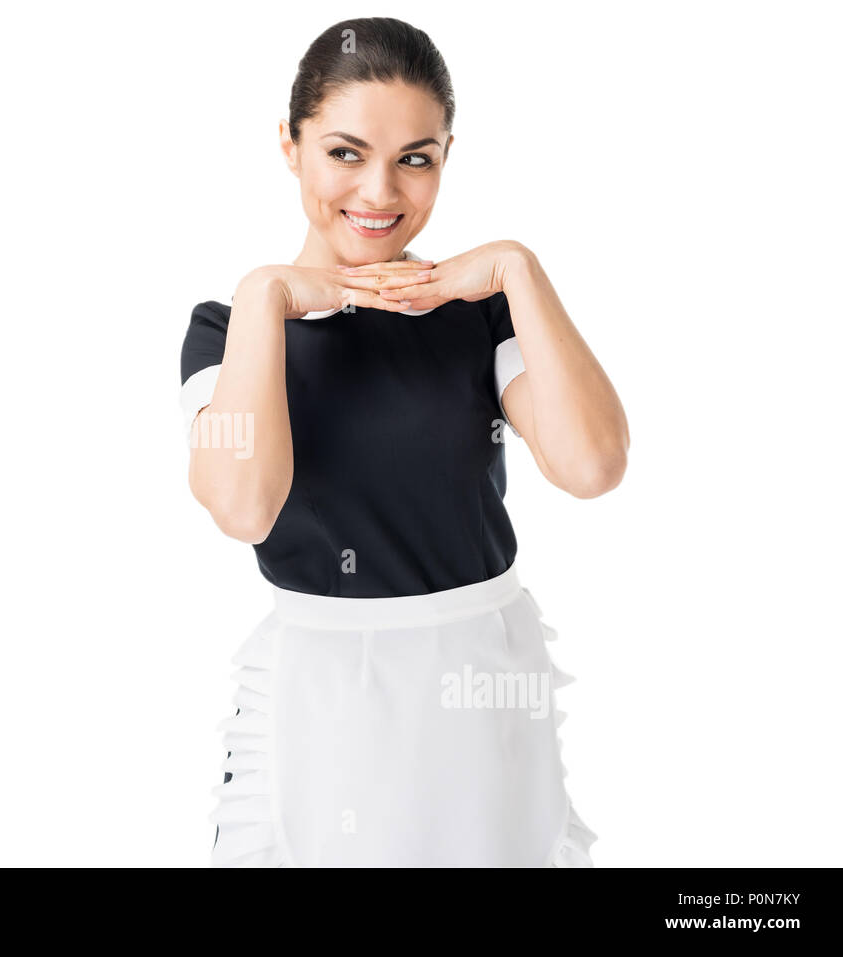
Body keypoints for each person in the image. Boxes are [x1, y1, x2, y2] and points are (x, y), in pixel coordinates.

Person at [180, 17, 629, 867]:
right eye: (345, 153)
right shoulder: (229, 329)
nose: (380, 192)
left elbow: (592, 463)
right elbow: (243, 506)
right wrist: (266, 294)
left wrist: (517, 270)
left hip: (481, 682)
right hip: (321, 697)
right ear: (291, 145)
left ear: (445, 156)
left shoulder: (479, 314)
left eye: (415, 158)